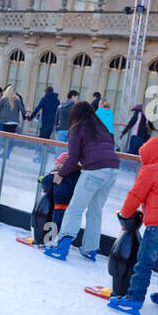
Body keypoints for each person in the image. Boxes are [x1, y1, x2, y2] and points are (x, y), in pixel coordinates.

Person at [107, 136, 158, 315]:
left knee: (144, 262)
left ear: (149, 155)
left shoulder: (149, 171)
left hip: (157, 225)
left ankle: (133, 299)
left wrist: (125, 214)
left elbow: (136, 195)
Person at [45, 101, 120, 262]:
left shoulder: (77, 127)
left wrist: (61, 173)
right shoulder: (101, 127)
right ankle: (90, 249)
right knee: (95, 211)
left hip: (95, 170)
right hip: (113, 169)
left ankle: (61, 247)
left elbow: (72, 159)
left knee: (75, 208)